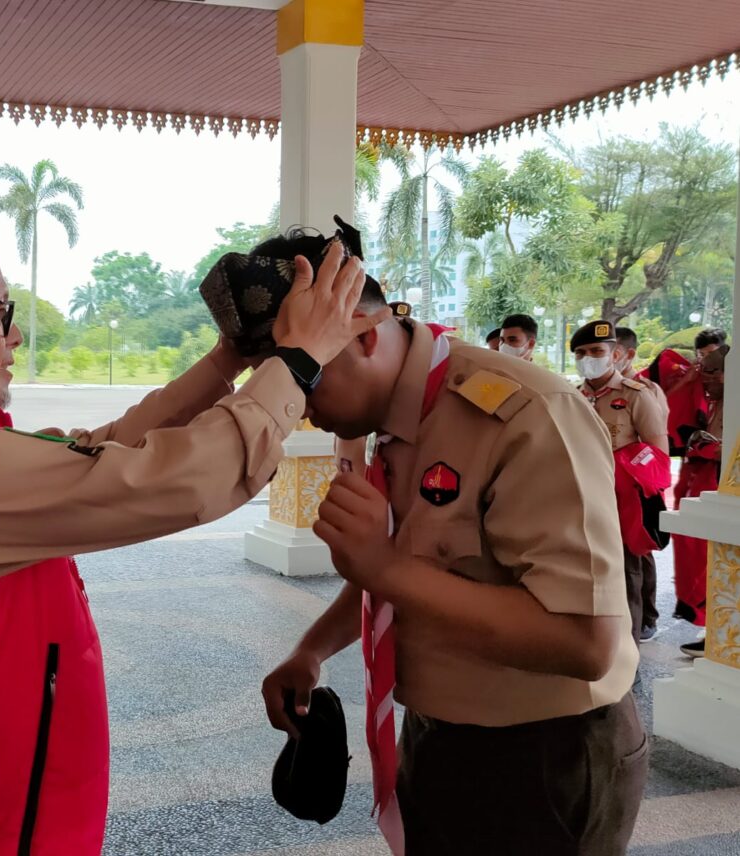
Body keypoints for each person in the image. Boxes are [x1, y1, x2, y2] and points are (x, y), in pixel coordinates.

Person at [0, 188, 382, 855]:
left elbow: (98, 449)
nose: (15, 332)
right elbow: (175, 481)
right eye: (1, 310)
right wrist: (300, 362)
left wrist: (228, 362)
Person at [255, 237, 643, 855]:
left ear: (362, 336)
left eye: (307, 374)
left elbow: (585, 641)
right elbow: (411, 563)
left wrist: (381, 565)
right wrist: (312, 649)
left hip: (543, 754)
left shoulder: (525, 414)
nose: (296, 406)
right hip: (439, 734)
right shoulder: (393, 417)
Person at [572, 321, 668, 645]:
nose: (589, 358)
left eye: (596, 351)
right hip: (582, 500)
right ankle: (592, 643)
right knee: (584, 572)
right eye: (581, 353)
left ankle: (627, 650)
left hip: (623, 502)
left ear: (614, 354)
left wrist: (626, 474)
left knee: (628, 575)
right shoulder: (572, 397)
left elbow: (657, 454)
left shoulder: (636, 396)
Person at [672, 343, 728, 656]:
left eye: (712, 372)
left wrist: (706, 448)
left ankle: (722, 638)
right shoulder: (712, 401)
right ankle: (716, 634)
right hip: (707, 487)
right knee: (707, 562)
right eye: (702, 371)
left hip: (726, 490)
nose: (705, 379)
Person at [614, 326, 670, 641]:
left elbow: (655, 446)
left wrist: (634, 475)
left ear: (628, 354)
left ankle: (647, 617)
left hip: (642, 481)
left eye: (613, 352)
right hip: (615, 486)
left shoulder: (645, 390)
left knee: (641, 549)